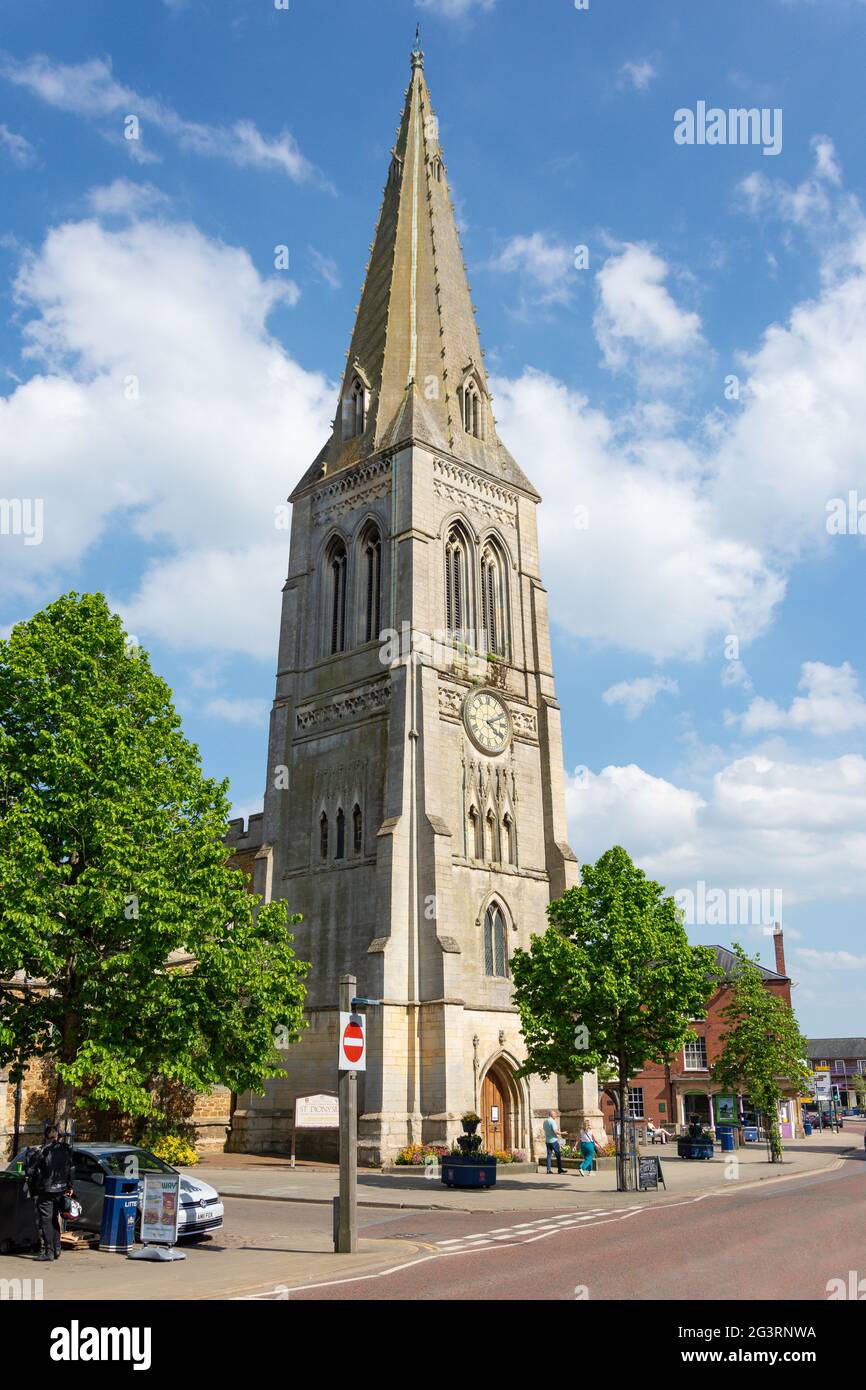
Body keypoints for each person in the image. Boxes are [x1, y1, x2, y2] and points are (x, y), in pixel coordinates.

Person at [29, 1123, 73, 1261]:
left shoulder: (43, 1151)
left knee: (46, 1220)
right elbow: (71, 1169)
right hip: (61, 1189)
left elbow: (31, 1168)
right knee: (54, 1218)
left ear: (45, 1136)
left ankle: (49, 1251)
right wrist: (70, 1186)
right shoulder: (66, 1149)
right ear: (57, 1136)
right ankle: (57, 1248)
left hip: (47, 1190)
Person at [543, 1110, 565, 1175]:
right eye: (555, 1114)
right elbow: (555, 1131)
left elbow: (544, 1129)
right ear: (551, 1115)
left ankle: (548, 1170)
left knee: (549, 1156)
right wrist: (562, 1133)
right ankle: (559, 1169)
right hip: (554, 1140)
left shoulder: (545, 1121)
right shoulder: (552, 1121)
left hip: (547, 1141)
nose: (556, 1115)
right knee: (558, 1155)